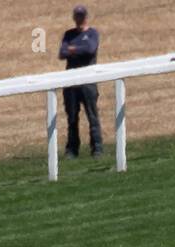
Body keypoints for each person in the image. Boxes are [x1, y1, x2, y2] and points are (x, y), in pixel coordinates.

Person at [58, 5, 102, 159]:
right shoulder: (69, 34)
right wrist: (76, 49)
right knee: (71, 118)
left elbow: (90, 49)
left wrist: (73, 49)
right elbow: (62, 53)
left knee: (92, 116)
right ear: (74, 17)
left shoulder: (92, 33)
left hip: (88, 82)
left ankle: (97, 148)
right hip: (71, 82)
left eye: (81, 16)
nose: (79, 19)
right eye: (77, 16)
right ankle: (72, 150)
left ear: (86, 17)